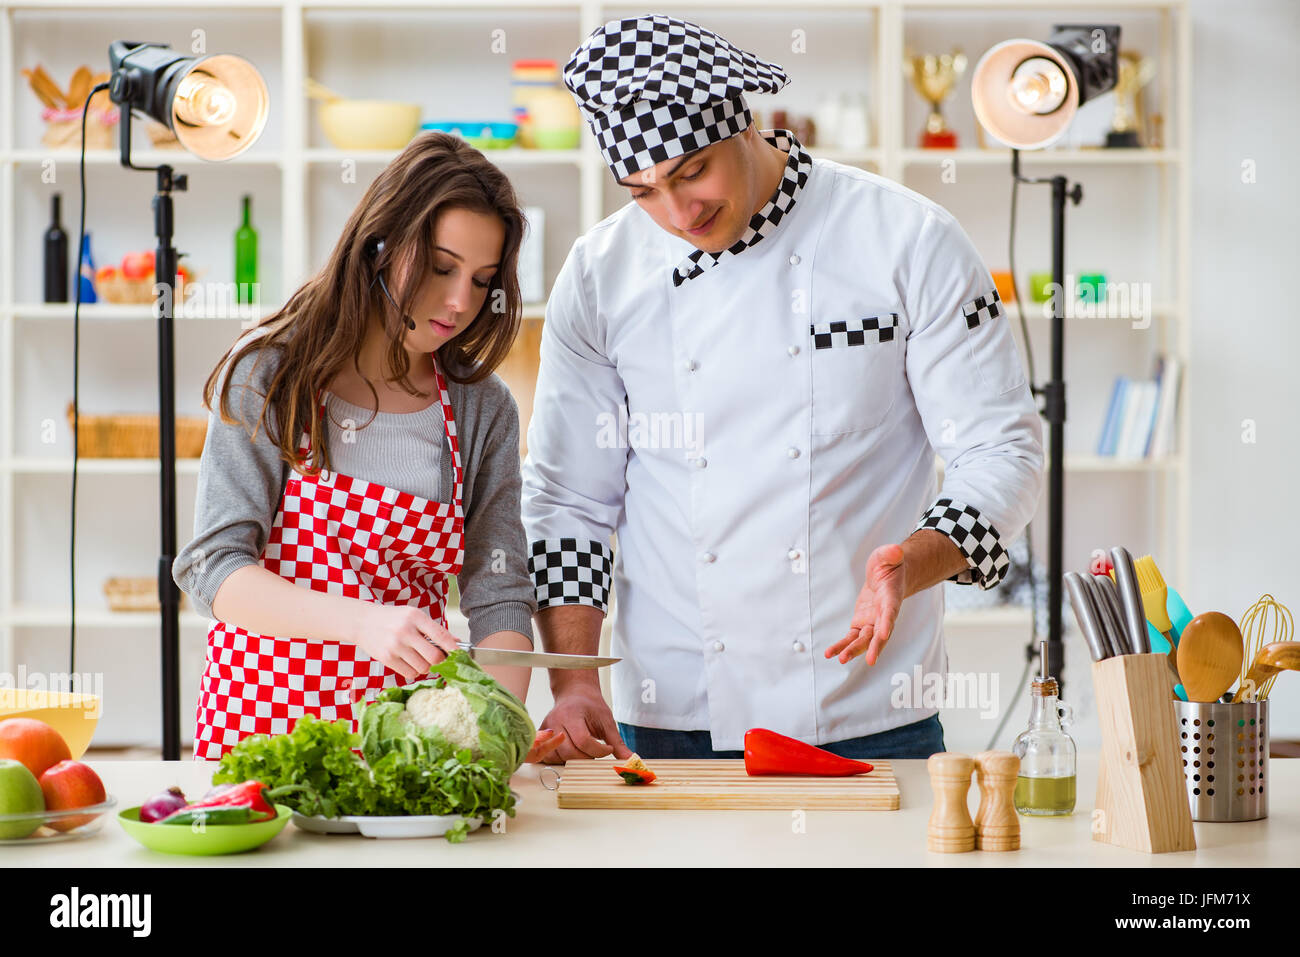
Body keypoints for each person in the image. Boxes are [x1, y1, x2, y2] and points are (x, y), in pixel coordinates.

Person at [522, 15, 1045, 762]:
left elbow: (1003, 452)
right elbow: (570, 498)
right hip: (669, 710)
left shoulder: (906, 238)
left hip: (866, 705)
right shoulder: (600, 272)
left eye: (692, 171)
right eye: (643, 192)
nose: (678, 215)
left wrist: (915, 559)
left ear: (746, 121)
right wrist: (573, 680)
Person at [174, 131, 562, 762]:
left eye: (481, 278)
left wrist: (498, 734)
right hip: (264, 734)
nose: (460, 301)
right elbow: (215, 569)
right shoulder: (271, 375)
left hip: (413, 746)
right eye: (440, 267)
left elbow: (497, 594)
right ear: (379, 244)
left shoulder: (481, 408)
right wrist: (366, 623)